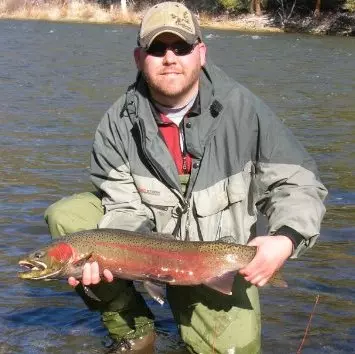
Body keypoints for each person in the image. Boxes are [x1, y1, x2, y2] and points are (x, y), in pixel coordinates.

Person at [44, 2, 328, 353]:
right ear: (138, 58)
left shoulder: (244, 111)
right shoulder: (117, 123)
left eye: (181, 47)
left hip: (214, 258)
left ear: (201, 53)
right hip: (149, 247)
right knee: (68, 217)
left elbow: (298, 183)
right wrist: (114, 260)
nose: (169, 58)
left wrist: (285, 239)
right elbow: (123, 205)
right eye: (156, 49)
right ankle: (134, 328)